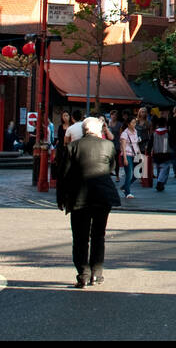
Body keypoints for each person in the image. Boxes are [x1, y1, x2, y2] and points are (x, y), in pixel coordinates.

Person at [56, 117, 122, 288]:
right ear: (98, 130)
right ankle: (96, 273)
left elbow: (63, 175)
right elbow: (112, 167)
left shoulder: (73, 147)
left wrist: (61, 198)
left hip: (79, 196)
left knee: (80, 238)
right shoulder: (108, 146)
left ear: (84, 130)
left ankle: (83, 274)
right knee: (98, 235)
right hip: (103, 195)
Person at [119, 116, 140, 199]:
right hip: (127, 155)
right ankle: (127, 192)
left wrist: (139, 153)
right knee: (129, 174)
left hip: (134, 154)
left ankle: (124, 186)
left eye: (135, 122)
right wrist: (124, 158)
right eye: (133, 122)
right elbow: (123, 147)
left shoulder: (135, 131)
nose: (134, 124)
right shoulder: (125, 133)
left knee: (137, 174)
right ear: (128, 124)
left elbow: (136, 144)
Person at [151, 116, 172, 191]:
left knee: (159, 168)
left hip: (156, 153)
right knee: (165, 168)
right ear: (165, 124)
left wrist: (150, 150)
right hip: (166, 153)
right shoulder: (168, 133)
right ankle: (160, 182)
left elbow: (150, 143)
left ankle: (160, 182)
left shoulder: (154, 133)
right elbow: (172, 143)